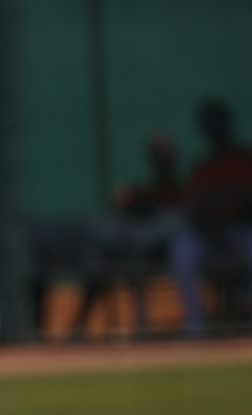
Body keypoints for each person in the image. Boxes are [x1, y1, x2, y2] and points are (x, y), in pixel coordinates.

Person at [172, 99, 252, 335]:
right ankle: (196, 324)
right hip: (211, 237)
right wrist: (211, 226)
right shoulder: (202, 169)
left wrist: (236, 216)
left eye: (218, 129)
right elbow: (193, 212)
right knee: (183, 248)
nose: (215, 136)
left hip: (243, 233)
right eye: (211, 131)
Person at [64, 131, 184, 340]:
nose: (161, 160)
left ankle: (144, 325)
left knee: (142, 259)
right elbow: (119, 202)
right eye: (157, 156)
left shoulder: (182, 188)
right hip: (130, 250)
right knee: (97, 262)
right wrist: (127, 198)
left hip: (160, 252)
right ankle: (79, 328)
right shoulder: (145, 189)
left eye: (164, 156)